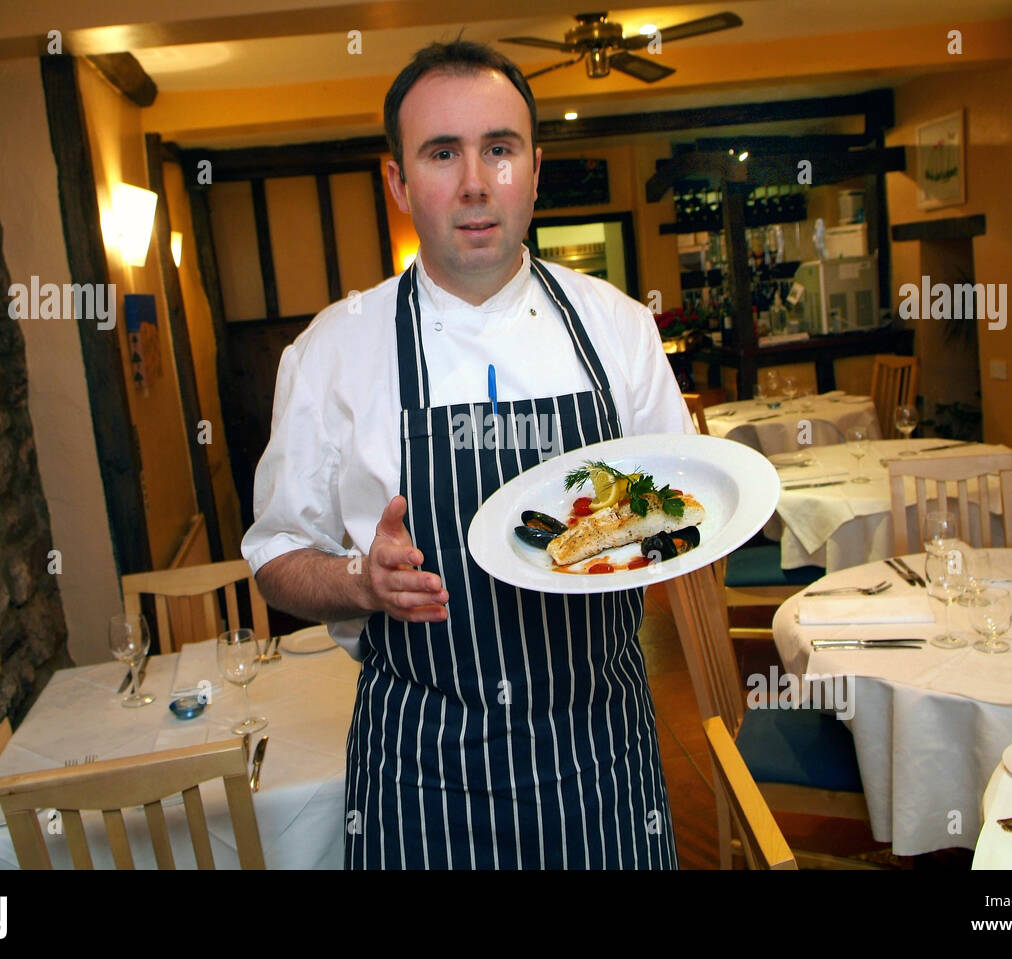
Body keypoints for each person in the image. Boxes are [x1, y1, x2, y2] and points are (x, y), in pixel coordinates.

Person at [243, 39, 693, 869]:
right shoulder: (334, 350)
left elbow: (683, 505)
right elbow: (273, 556)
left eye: (500, 148)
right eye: (442, 153)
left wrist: (650, 532)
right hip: (422, 767)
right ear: (399, 181)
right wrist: (356, 581)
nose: (476, 182)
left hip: (599, 758)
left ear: (534, 167)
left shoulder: (618, 327)